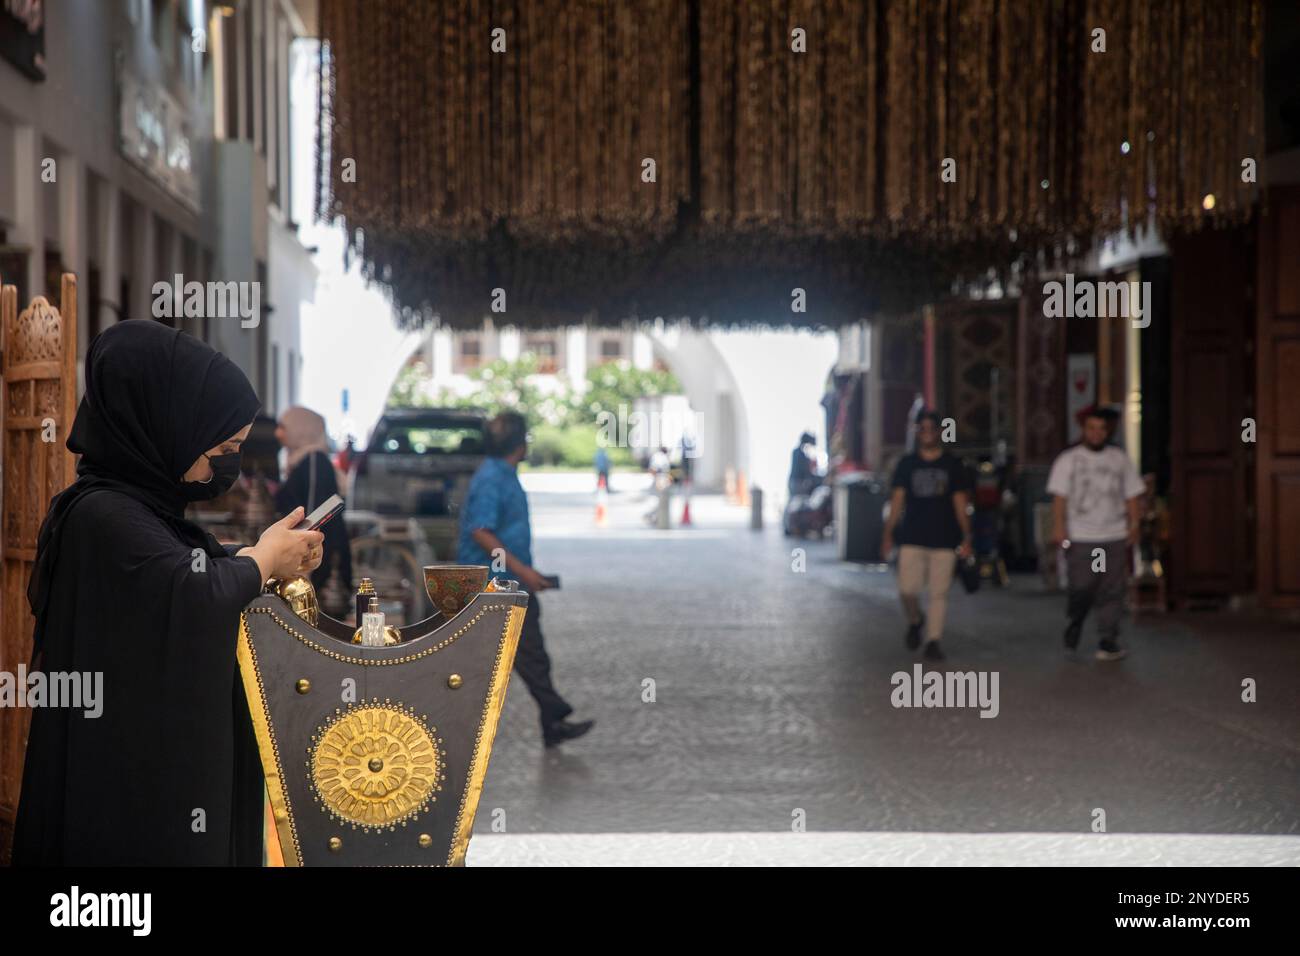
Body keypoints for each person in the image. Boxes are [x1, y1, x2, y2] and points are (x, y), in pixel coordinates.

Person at [14, 320, 324, 865]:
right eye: (221, 447)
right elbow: (191, 592)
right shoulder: (102, 514)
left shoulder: (139, 508)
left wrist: (268, 560)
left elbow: (187, 565)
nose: (223, 466)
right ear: (164, 425)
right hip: (123, 788)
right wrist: (261, 559)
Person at [456, 412, 594, 747]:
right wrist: (524, 573)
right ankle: (552, 713)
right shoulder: (493, 477)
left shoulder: (499, 474)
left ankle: (553, 717)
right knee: (523, 652)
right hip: (496, 584)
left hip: (503, 580)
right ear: (521, 443)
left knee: (524, 653)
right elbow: (481, 532)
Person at [1048, 406, 1144, 661]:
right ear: (1084, 429)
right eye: (1091, 428)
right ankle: (1075, 620)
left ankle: (1107, 637)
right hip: (1082, 536)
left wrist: (1134, 525)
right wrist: (1059, 527)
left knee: (1111, 588)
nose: (1096, 433)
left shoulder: (1119, 459)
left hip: (1112, 535)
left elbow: (1132, 494)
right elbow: (1059, 498)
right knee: (1082, 586)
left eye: (1101, 428)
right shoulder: (1068, 460)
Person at [880, 411, 972, 662]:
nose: (927, 432)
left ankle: (933, 640)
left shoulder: (952, 465)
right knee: (907, 590)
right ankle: (915, 620)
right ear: (917, 432)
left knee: (938, 593)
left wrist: (966, 536)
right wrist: (887, 534)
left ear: (941, 432)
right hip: (912, 536)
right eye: (923, 428)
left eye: (932, 428)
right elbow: (897, 501)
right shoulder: (907, 464)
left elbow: (960, 502)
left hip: (945, 537)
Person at [275, 405, 353, 595]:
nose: (277, 433)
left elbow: (314, 512)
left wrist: (304, 561)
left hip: (318, 560)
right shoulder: (302, 460)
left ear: (301, 429)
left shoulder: (313, 461)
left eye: (283, 428)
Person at [788, 431, 816, 496]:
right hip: (797, 483)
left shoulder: (798, 452)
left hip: (794, 483)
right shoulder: (799, 454)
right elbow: (805, 470)